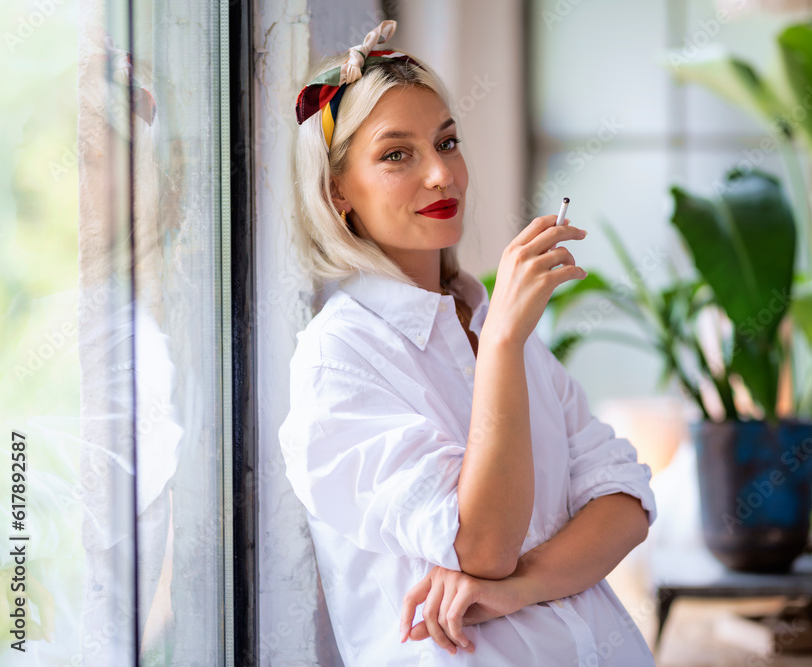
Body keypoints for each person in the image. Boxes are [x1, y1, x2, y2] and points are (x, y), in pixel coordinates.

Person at [278, 20, 658, 666]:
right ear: (337, 191)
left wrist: (520, 587)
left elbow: (626, 502)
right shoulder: (339, 359)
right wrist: (503, 343)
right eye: (397, 155)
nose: (440, 174)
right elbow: (481, 544)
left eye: (446, 142)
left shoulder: (488, 320)